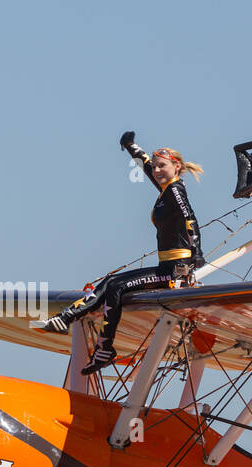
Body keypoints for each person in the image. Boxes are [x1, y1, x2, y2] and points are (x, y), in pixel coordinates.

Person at [32, 131, 205, 374]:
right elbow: (146, 165)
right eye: (155, 167)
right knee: (111, 282)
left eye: (162, 166)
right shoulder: (166, 189)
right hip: (164, 267)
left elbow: (190, 218)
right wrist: (131, 146)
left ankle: (97, 342)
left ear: (176, 166)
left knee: (116, 287)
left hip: (175, 272)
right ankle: (69, 320)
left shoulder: (175, 190)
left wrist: (197, 251)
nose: (156, 170)